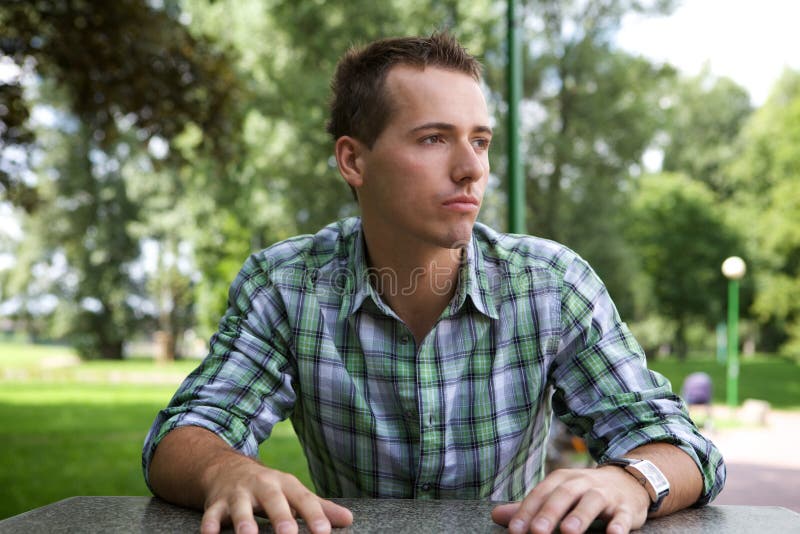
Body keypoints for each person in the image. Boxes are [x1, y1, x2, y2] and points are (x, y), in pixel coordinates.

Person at [143, 33, 725, 534]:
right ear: (353, 161)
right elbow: (181, 436)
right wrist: (226, 470)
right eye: (434, 138)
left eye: (480, 140)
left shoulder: (551, 284)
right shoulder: (286, 285)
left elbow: (684, 447)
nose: (472, 168)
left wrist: (631, 481)